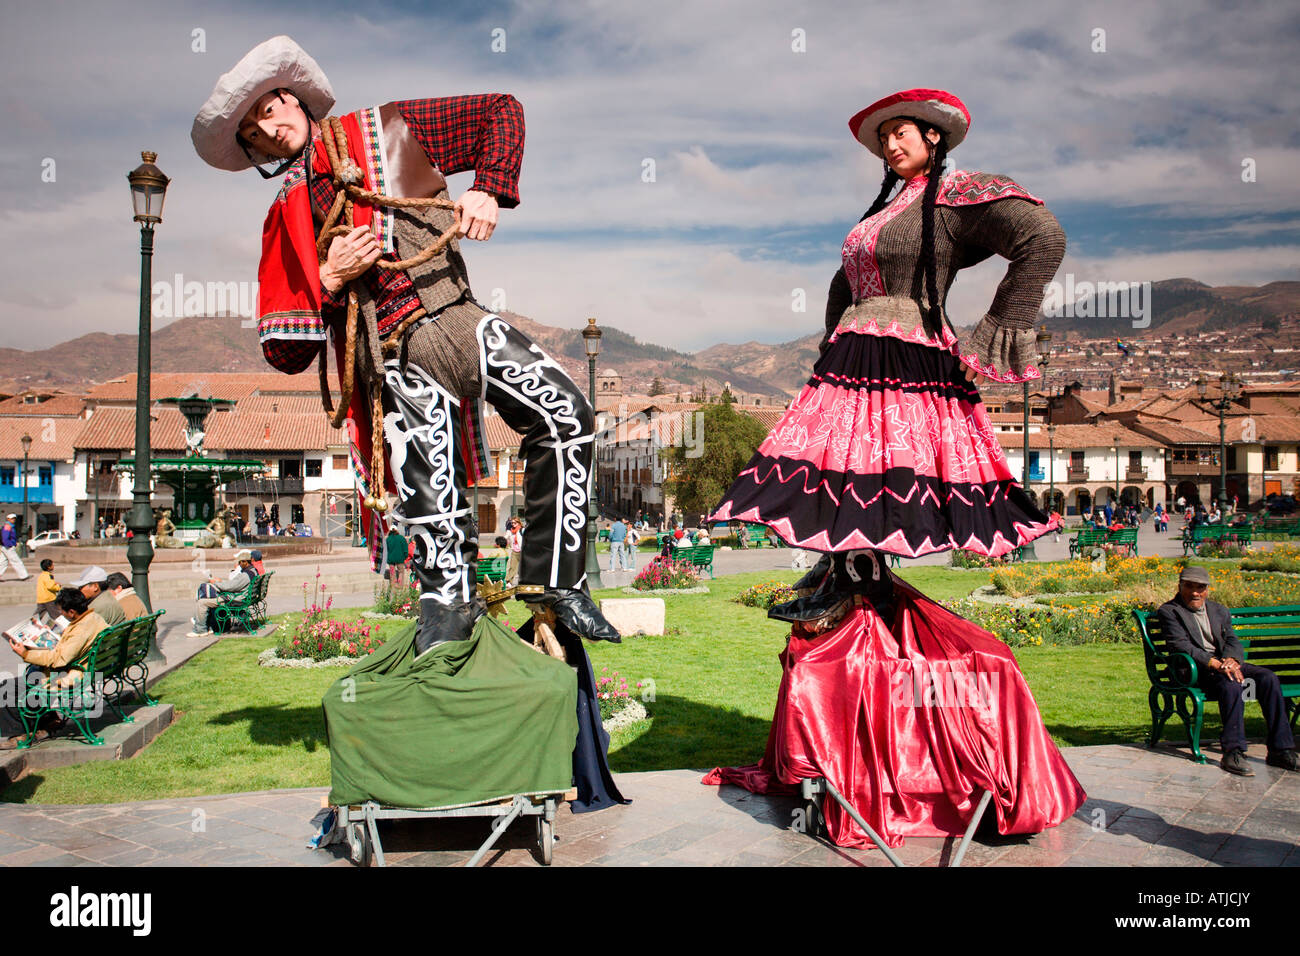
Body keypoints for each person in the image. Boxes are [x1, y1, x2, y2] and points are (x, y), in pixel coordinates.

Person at [704, 89, 1082, 848]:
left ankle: (867, 598)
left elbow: (1042, 236)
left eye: (902, 132)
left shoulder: (961, 195)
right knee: (843, 485)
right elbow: (849, 283)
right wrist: (829, 341)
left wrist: (1007, 321)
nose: (890, 144)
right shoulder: (887, 208)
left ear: (936, 137)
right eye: (884, 137)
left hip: (907, 355)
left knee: (887, 483)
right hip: (857, 355)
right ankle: (848, 587)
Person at [193, 35, 619, 652]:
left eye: (272, 105)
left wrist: (488, 187)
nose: (270, 125)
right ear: (252, 149)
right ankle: (446, 618)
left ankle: (556, 583)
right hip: (392, 358)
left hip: (459, 318)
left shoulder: (391, 127)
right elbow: (283, 352)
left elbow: (503, 108)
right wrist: (329, 280)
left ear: (295, 99)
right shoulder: (284, 219)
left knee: (568, 415)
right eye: (254, 128)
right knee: (432, 498)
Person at [1158, 566, 1297, 775]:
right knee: (1232, 685)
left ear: (1207, 589)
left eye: (1200, 588)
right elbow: (1181, 645)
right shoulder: (1170, 611)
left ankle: (1280, 749)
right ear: (1180, 586)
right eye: (1189, 587)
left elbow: (1232, 639)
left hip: (1224, 665)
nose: (1195, 593)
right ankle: (1233, 752)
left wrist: (1232, 660)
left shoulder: (1218, 610)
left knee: (1268, 678)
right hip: (1196, 669)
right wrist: (1215, 663)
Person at [1, 588, 110, 749]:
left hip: (73, 676)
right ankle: (49, 721)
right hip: (87, 669)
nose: (61, 615)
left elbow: (59, 659)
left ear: (72, 612)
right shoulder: (93, 618)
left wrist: (26, 653)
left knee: (7, 687)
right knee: (33, 674)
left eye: (63, 612)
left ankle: (20, 734)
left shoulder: (80, 630)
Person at [188, 550, 257, 637]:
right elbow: (233, 585)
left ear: (246, 562)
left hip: (235, 599)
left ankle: (200, 629)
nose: (239, 564)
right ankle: (204, 622)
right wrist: (221, 582)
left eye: (240, 562)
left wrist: (215, 583)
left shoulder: (245, 575)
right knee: (210, 596)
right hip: (243, 597)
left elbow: (230, 587)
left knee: (202, 602)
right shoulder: (253, 571)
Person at [0, 515, 28, 581]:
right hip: (8, 547)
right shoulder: (8, 526)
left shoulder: (10, 526)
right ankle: (23, 576)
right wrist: (10, 545)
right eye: (12, 519)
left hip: (5, 546)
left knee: (3, 562)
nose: (13, 520)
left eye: (14, 519)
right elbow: (5, 538)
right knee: (16, 561)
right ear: (8, 519)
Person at [505, 517, 523, 586]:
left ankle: (523, 581)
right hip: (515, 551)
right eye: (512, 523)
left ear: (518, 523)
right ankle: (508, 581)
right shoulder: (510, 531)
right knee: (512, 567)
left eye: (515, 523)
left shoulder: (522, 530)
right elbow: (505, 537)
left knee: (522, 568)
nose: (513, 524)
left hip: (522, 551)